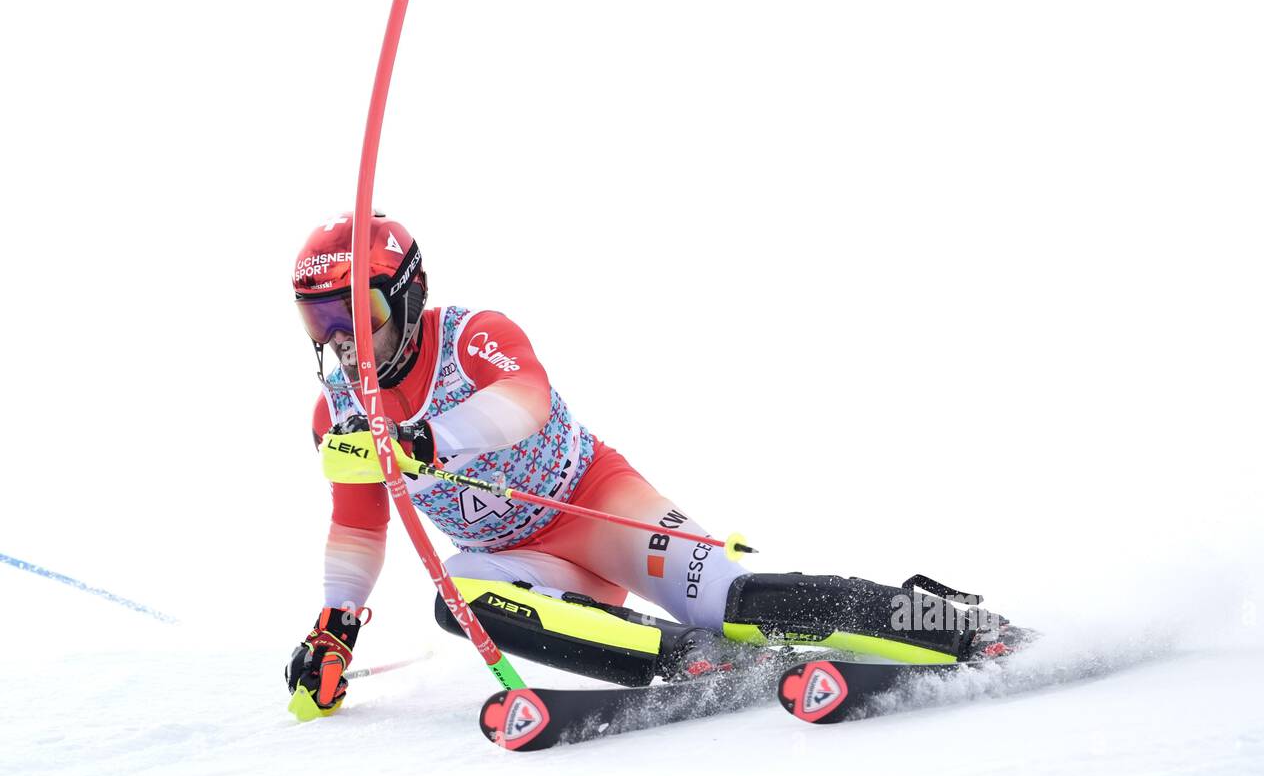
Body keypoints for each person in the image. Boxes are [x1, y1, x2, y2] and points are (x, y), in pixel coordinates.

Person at [285, 212, 1023, 718]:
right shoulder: (338, 412)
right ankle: (694, 662)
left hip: (598, 509)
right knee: (459, 599)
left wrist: (423, 443)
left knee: (736, 602)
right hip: (521, 562)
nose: (344, 342)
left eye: (361, 315)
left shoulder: (473, 335)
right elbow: (356, 523)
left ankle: (959, 627)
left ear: (410, 296)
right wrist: (334, 630)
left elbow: (526, 401)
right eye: (321, 322)